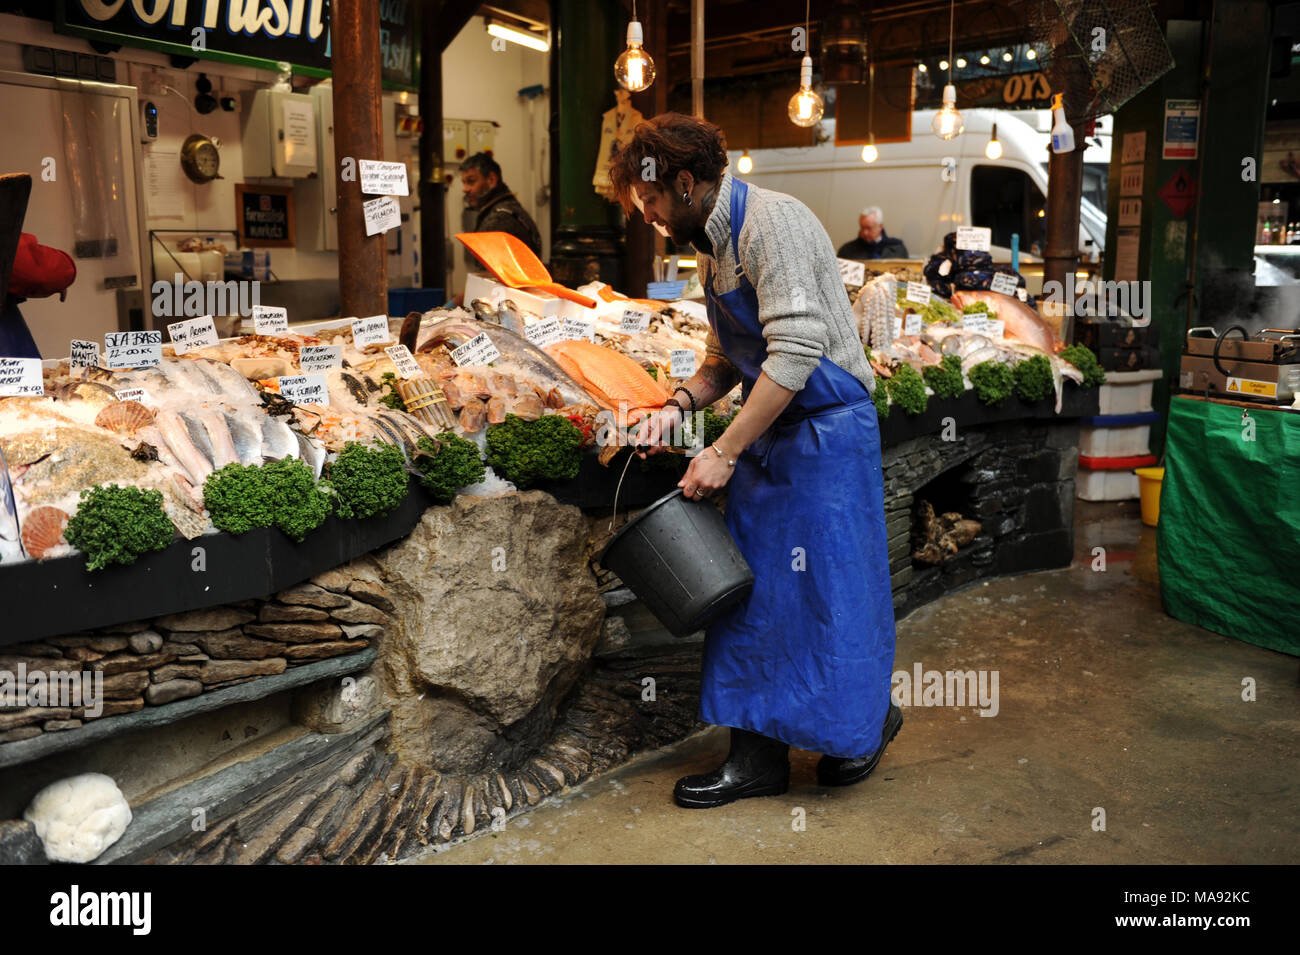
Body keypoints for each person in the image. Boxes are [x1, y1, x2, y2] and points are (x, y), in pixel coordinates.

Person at [611, 112, 901, 809]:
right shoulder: (711, 247)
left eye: (650, 204)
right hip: (773, 436)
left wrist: (722, 450)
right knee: (754, 596)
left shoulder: (774, 223)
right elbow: (726, 358)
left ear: (684, 183)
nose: (647, 218)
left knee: (832, 593)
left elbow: (797, 353)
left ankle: (864, 727)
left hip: (829, 432)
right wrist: (678, 405)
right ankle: (756, 758)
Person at [459, 152, 542, 270]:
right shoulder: (508, 208)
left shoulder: (499, 219)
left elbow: (489, 276)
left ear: (491, 180)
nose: (465, 189)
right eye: (464, 183)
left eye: (471, 181)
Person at [837, 206, 908, 259]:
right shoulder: (847, 251)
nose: (865, 232)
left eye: (869, 228)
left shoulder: (898, 249)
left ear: (880, 226)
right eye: (862, 227)